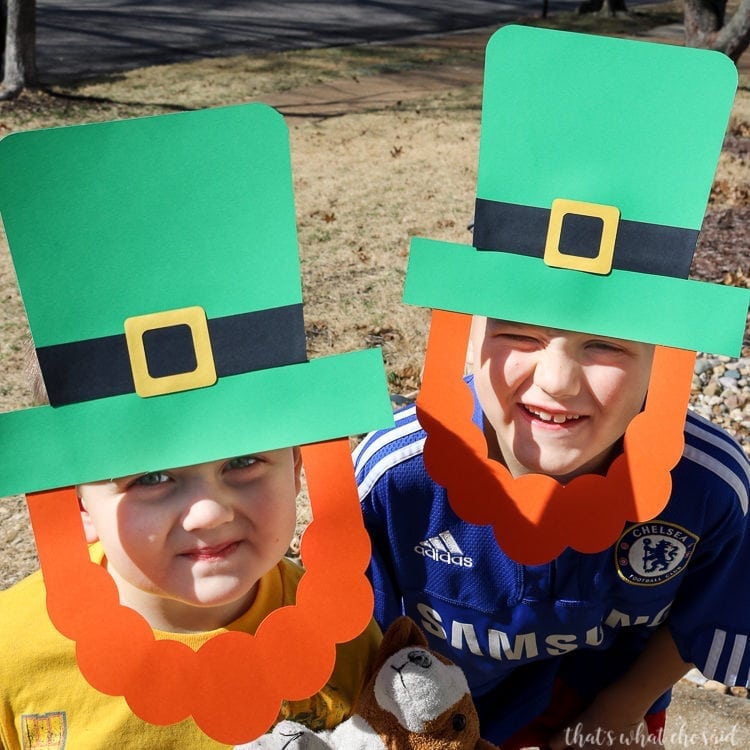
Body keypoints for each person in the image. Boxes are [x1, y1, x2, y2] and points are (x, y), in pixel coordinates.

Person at [354, 25, 750, 750]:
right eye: (520, 335)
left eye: (604, 345)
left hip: (605, 708)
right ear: (465, 341)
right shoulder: (397, 480)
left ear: (663, 362)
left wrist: (619, 710)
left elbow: (713, 613)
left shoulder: (710, 489)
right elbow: (363, 637)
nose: (558, 379)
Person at [0, 103, 392, 749]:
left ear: (298, 466)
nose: (209, 513)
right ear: (79, 502)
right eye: (152, 477)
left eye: (243, 462)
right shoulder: (13, 658)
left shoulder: (343, 633)